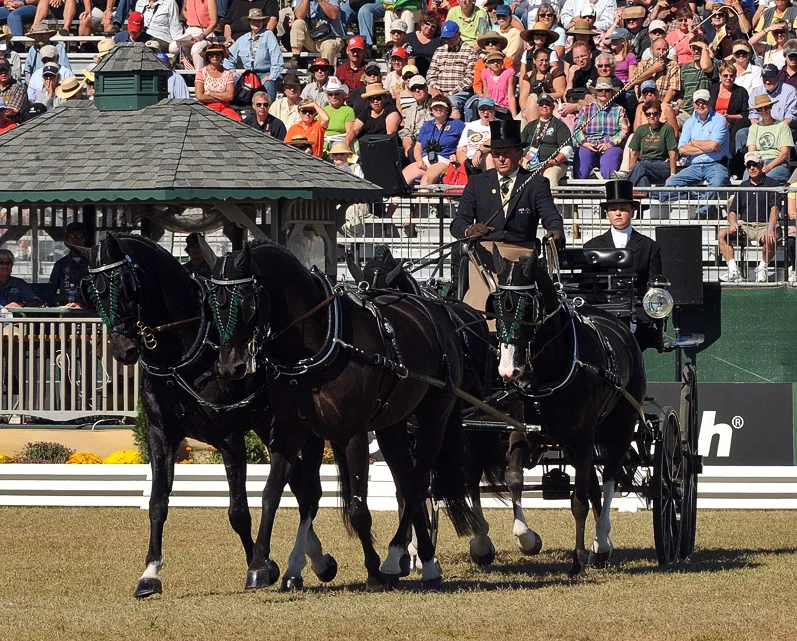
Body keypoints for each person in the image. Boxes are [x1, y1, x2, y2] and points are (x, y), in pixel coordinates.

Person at [451, 119, 563, 314]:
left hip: (522, 258)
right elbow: (458, 223)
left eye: (507, 153)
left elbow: (550, 215)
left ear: (519, 154)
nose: (501, 159)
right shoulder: (477, 183)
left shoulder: (536, 183)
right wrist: (470, 230)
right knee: (476, 308)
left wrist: (555, 230)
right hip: (485, 259)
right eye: (496, 154)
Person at [584, 180, 663, 350]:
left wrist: (643, 314)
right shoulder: (592, 246)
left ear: (633, 211)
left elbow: (654, 284)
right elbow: (588, 286)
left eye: (623, 209)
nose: (618, 213)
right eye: (613, 209)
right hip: (603, 312)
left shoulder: (649, 246)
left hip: (636, 315)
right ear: (607, 213)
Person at [664, 89, 730, 216]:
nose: (700, 105)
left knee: (716, 183)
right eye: (697, 102)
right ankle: (702, 200)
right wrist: (708, 146)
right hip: (694, 166)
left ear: (710, 102)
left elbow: (713, 145)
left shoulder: (719, 120)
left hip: (716, 164)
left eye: (703, 102)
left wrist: (693, 143)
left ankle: (702, 213)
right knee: (671, 183)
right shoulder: (689, 122)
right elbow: (682, 149)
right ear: (693, 104)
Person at [719, 151, 783, 283]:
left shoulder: (773, 184)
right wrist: (733, 223)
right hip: (745, 225)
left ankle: (762, 268)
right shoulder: (742, 186)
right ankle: (733, 270)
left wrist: (771, 228)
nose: (752, 168)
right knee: (722, 234)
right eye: (749, 166)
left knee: (770, 237)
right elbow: (733, 211)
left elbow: (775, 209)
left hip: (765, 225)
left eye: (755, 164)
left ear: (762, 165)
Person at [224, 8, 284, 102]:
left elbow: (276, 57)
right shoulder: (243, 39)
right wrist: (233, 72)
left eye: (259, 21)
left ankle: (269, 108)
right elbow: (229, 57)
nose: (256, 23)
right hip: (248, 74)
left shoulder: (268, 35)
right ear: (249, 22)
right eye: (253, 21)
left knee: (269, 83)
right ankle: (234, 107)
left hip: (266, 72)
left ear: (263, 22)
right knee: (233, 81)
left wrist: (271, 76)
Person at [573, 79, 629, 179]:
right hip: (588, 145)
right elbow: (577, 129)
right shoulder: (586, 109)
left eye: (607, 90)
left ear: (611, 93)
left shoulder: (619, 110)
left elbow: (624, 130)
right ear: (596, 93)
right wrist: (584, 143)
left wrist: (609, 144)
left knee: (609, 168)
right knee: (582, 165)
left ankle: (609, 188)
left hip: (610, 146)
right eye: (600, 90)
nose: (603, 92)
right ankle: (582, 187)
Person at [404, 94, 465, 185]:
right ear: (431, 110)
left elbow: (466, 143)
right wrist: (419, 160)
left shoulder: (457, 124)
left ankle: (424, 194)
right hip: (426, 159)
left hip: (444, 159)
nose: (438, 109)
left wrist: (457, 156)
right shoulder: (426, 125)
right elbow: (418, 146)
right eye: (435, 107)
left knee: (427, 179)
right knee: (403, 177)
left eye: (441, 106)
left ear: (447, 109)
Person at [426, 20, 479, 117]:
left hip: (460, 92)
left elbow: (470, 78)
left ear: (458, 34)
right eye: (445, 38)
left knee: (448, 104)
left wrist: (451, 93)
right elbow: (430, 74)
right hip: (438, 91)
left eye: (449, 37)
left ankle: (454, 125)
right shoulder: (439, 51)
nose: (447, 40)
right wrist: (436, 90)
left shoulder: (470, 51)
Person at [520, 92, 570, 185]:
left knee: (549, 177)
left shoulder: (560, 126)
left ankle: (552, 194)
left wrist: (554, 161)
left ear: (553, 107)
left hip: (554, 164)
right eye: (541, 104)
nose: (544, 106)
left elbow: (567, 149)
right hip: (530, 162)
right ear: (537, 108)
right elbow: (520, 145)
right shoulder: (530, 126)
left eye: (547, 104)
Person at [626, 98, 678, 187]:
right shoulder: (640, 130)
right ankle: (645, 194)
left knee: (640, 166)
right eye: (648, 114)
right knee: (642, 177)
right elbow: (634, 153)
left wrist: (672, 174)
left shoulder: (667, 129)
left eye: (655, 113)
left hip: (662, 164)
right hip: (645, 164)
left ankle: (625, 187)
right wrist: (632, 171)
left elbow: (672, 153)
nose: (651, 116)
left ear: (660, 114)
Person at [746, 93, 793, 185]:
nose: (763, 111)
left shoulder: (782, 126)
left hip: (777, 162)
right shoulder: (754, 128)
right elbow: (752, 152)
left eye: (766, 107)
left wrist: (769, 167)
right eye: (760, 109)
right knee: (746, 183)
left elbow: (784, 153)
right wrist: (757, 166)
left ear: (771, 107)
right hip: (757, 162)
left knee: (766, 181)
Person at [676, 35, 719, 127]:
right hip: (687, 112)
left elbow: (706, 67)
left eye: (699, 48)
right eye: (693, 48)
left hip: (705, 111)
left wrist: (705, 48)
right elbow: (682, 94)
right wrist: (677, 105)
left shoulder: (714, 63)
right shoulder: (685, 69)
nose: (696, 51)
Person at [194, 42, 240, 121]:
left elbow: (229, 95)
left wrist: (209, 93)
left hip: (224, 107)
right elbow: (200, 96)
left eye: (218, 54)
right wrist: (221, 97)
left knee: (237, 120)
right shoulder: (201, 72)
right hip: (206, 107)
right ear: (208, 56)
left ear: (222, 56)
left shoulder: (228, 73)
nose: (215, 56)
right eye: (211, 54)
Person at [290, 0, 345, 66]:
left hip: (331, 38)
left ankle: (325, 70)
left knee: (328, 46)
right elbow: (299, 16)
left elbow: (334, 15)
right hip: (313, 39)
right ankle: (296, 59)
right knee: (298, 23)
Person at [519, 46, 565, 122]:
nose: (544, 63)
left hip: (551, 104)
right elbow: (523, 96)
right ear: (534, 61)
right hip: (532, 106)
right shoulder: (529, 76)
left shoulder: (555, 72)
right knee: (519, 121)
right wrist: (524, 109)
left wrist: (544, 96)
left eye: (546, 60)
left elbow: (561, 93)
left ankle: (534, 128)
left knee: (532, 98)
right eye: (541, 60)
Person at [49, 222, 90, 306]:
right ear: (67, 240)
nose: (76, 240)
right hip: (66, 308)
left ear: (84, 238)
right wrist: (62, 298)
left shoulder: (93, 263)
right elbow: (50, 292)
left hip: (88, 309)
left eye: (79, 236)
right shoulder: (60, 265)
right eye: (72, 236)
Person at [172, 0, 217, 70]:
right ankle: (185, 65)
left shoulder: (210, 1)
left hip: (206, 32)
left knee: (196, 49)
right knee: (173, 47)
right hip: (191, 30)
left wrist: (202, 36)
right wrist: (192, 20)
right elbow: (184, 10)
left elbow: (214, 22)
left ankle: (199, 74)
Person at [456, 96, 496, 172]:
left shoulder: (499, 124)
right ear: (478, 111)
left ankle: (489, 178)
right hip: (470, 160)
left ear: (494, 109)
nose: (486, 112)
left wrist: (479, 151)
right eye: (482, 109)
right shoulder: (470, 126)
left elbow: (495, 141)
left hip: (488, 157)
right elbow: (461, 149)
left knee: (488, 156)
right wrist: (467, 165)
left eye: (489, 109)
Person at [398, 74, 432, 161]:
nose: (417, 90)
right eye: (413, 89)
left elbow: (455, 115)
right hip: (414, 144)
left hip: (431, 144)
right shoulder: (411, 109)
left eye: (420, 87)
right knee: (395, 153)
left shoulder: (436, 105)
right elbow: (407, 132)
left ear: (426, 88)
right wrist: (407, 147)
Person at [480, 50, 517, 117]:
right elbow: (486, 93)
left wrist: (514, 116)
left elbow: (511, 96)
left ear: (502, 63)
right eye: (492, 61)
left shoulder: (509, 72)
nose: (495, 63)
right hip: (491, 107)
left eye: (498, 61)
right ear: (488, 64)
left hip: (504, 108)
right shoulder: (485, 73)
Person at [405, 10, 441, 77]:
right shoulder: (408, 38)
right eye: (427, 23)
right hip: (410, 76)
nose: (429, 28)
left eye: (433, 26)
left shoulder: (439, 41)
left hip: (432, 75)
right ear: (421, 22)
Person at [323, 76, 355, 145]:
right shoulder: (323, 110)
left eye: (336, 94)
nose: (333, 96)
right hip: (323, 142)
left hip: (340, 143)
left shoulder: (348, 111)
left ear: (342, 95)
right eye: (330, 94)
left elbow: (349, 134)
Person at [0, 59, 28, 124]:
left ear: (10, 70)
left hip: (14, 125)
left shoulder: (19, 87)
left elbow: (14, 110)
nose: (3, 72)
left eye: (6, 70)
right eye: (0, 70)